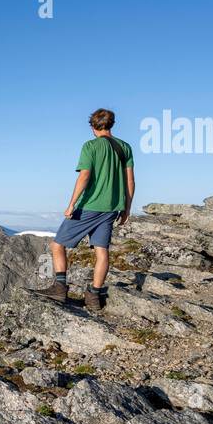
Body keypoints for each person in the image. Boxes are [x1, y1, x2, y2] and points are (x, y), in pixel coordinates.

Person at [34, 108, 135, 311]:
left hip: (89, 206)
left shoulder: (90, 146)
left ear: (92, 126)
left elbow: (84, 176)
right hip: (111, 209)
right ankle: (94, 297)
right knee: (102, 251)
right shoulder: (124, 147)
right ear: (112, 124)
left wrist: (72, 203)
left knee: (57, 245)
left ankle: (59, 288)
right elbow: (130, 181)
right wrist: (126, 209)